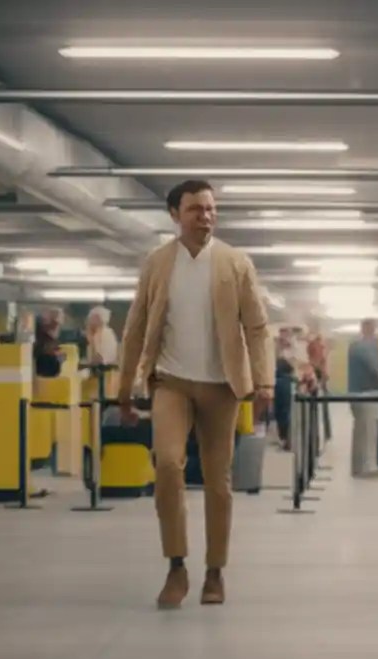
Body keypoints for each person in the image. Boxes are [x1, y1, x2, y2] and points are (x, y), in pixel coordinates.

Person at [118, 178, 272, 610]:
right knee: (167, 465)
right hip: (170, 381)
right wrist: (124, 387)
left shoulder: (235, 263)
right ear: (174, 215)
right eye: (195, 209)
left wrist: (264, 382)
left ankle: (215, 572)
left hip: (222, 386)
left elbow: (256, 328)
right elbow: (134, 329)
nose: (205, 216)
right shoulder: (157, 263)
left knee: (218, 482)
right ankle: (176, 566)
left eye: (209, 209)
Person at [347, 319, 378, 478]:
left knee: (360, 430)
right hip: (368, 392)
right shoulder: (368, 347)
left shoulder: (354, 346)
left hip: (355, 392)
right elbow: (376, 368)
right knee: (369, 431)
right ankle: (368, 467)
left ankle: (357, 466)